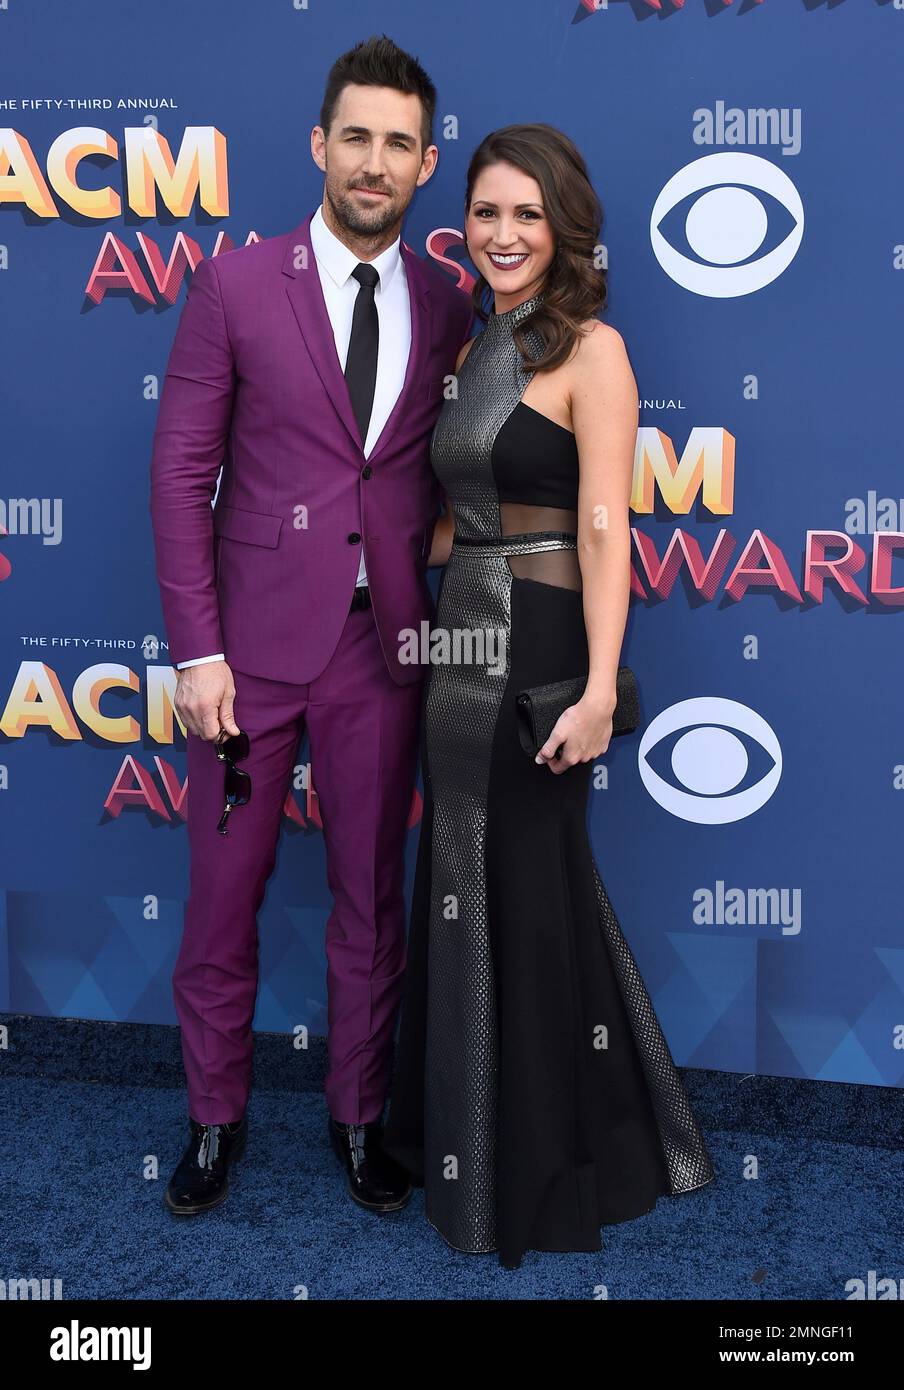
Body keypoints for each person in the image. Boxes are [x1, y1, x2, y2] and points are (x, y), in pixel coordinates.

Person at [383, 124, 716, 1269]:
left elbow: (606, 530)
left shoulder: (594, 350)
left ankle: (553, 1164)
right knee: (466, 885)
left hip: (542, 646)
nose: (504, 233)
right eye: (486, 212)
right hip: (457, 639)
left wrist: (596, 695)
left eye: (527, 213)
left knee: (529, 892)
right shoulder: (478, 343)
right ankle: (465, 1140)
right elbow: (453, 513)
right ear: (462, 224)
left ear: (564, 225)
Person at [149, 36, 471, 1216]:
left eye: (398, 143)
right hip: (245, 660)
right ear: (318, 145)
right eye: (356, 136)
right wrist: (196, 650)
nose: (374, 162)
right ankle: (214, 1119)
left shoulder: (447, 307)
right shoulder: (236, 285)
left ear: (425, 162)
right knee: (221, 897)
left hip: (381, 657)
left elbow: (437, 482)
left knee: (370, 902)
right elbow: (181, 474)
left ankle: (354, 1118)